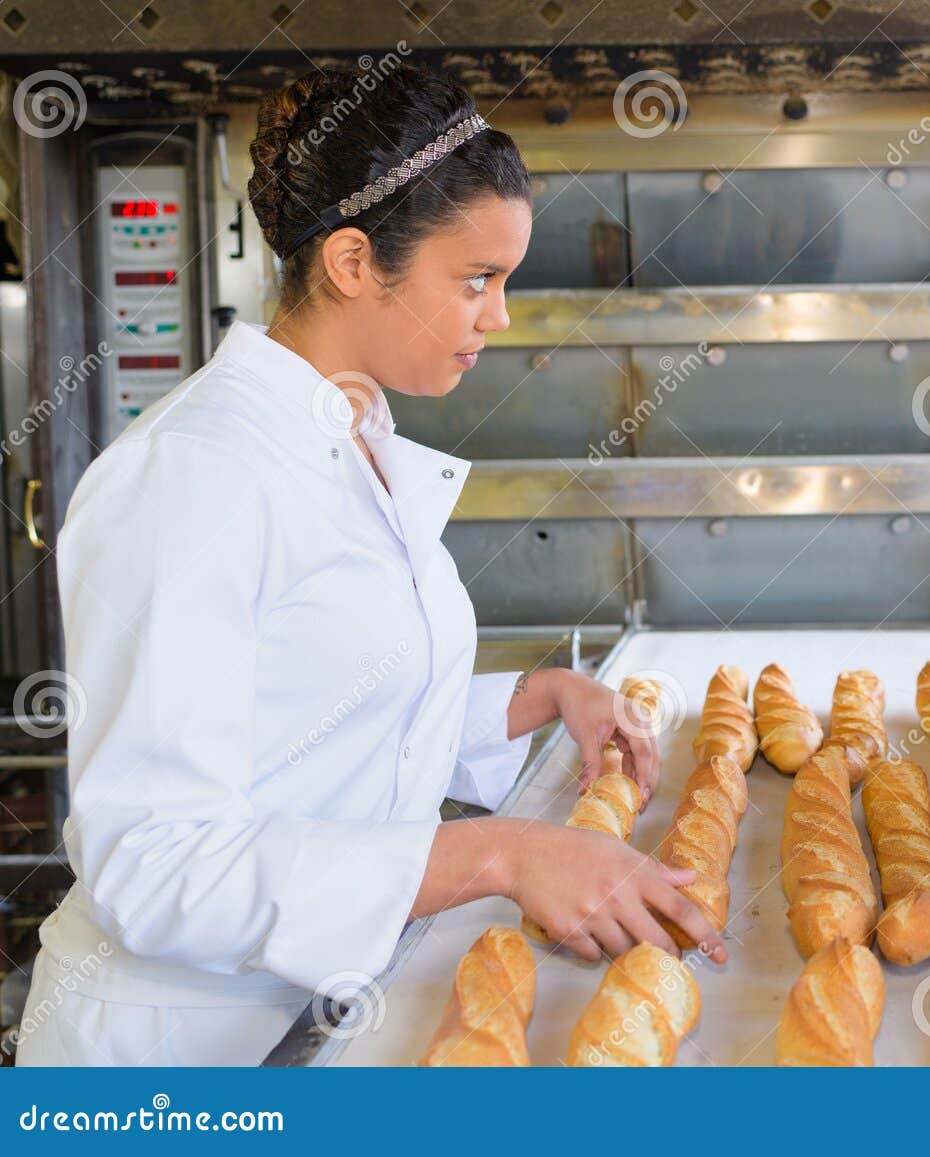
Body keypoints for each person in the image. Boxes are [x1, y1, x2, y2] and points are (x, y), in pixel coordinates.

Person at [17, 65, 725, 1068]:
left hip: (325, 1021)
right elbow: (153, 860)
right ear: (353, 260)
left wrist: (534, 697)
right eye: (476, 279)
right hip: (174, 1059)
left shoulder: (356, 434)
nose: (500, 316)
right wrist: (500, 851)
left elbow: (320, 718)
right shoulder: (191, 475)